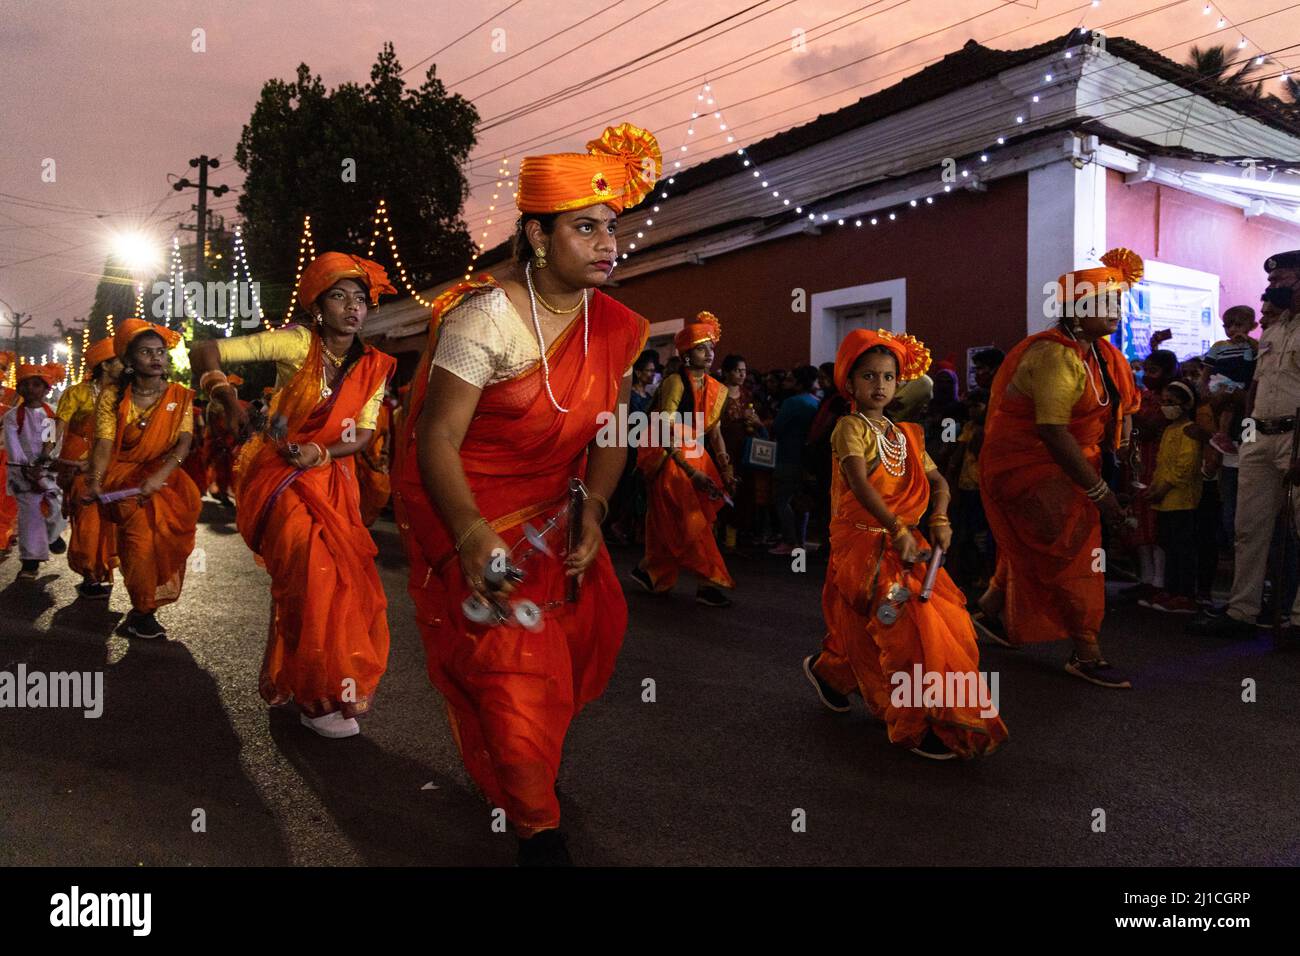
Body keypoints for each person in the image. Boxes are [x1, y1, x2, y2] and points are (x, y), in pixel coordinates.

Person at [393, 122, 659, 865]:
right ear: (538, 236)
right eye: (586, 227)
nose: (608, 242)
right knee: (514, 673)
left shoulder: (618, 329)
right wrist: (472, 535)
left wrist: (598, 511)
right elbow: (435, 439)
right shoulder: (486, 317)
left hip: (556, 522)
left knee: (553, 671)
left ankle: (521, 774)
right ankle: (539, 829)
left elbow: (611, 428)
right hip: (472, 518)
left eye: (612, 226)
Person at [190, 252, 398, 739]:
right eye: (339, 296)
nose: (352, 307)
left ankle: (320, 687)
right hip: (280, 479)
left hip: (331, 482)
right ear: (317, 307)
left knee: (342, 583)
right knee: (310, 577)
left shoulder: (375, 366)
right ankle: (316, 696)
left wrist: (323, 454)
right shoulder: (295, 342)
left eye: (360, 299)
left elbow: (364, 433)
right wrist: (222, 394)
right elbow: (206, 348)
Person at [801, 329, 1007, 760]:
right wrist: (896, 527)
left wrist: (940, 516)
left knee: (937, 622)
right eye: (869, 376)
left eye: (889, 377)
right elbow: (859, 483)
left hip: (906, 545)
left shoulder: (905, 435)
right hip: (864, 546)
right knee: (906, 630)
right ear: (850, 384)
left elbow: (937, 481)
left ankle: (834, 674)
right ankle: (917, 723)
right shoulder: (849, 428)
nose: (880, 385)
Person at [976, 248, 1141, 688]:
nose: (1116, 312)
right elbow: (1053, 432)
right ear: (1076, 310)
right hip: (1033, 468)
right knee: (1073, 556)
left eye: (1118, 303)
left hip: (1065, 463)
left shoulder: (1098, 355)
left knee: (1035, 547)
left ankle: (989, 609)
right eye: (1106, 303)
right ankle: (1086, 651)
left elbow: (1109, 412)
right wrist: (1100, 493)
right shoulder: (1055, 357)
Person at [1189, 250, 1300, 642]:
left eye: (1280, 280)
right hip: (1259, 436)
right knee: (1248, 528)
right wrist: (1247, 434)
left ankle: (1297, 620)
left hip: (1296, 438)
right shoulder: (1270, 331)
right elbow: (1255, 386)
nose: (1270, 288)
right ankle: (1242, 611)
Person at [85, 321, 200, 640]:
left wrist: (160, 476)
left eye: (160, 352)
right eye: (146, 352)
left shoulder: (180, 396)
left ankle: (144, 605)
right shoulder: (112, 396)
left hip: (167, 481)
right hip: (124, 482)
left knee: (164, 543)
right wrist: (95, 480)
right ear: (130, 359)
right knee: (138, 545)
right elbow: (104, 443)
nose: (156, 358)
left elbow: (184, 443)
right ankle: (143, 609)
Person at [632, 311, 736, 605]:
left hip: (699, 458)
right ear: (687, 353)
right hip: (672, 462)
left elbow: (715, 434)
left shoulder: (714, 389)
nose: (710, 354)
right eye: (702, 348)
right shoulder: (675, 383)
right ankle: (707, 581)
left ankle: (650, 572)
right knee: (692, 523)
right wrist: (691, 472)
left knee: (681, 523)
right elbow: (664, 433)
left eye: (711, 347)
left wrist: (725, 467)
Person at [41, 337, 121, 597]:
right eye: (120, 361)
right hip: (77, 462)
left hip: (111, 461)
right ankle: (89, 573)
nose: (125, 365)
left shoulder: (125, 394)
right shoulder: (77, 392)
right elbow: (55, 424)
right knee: (87, 516)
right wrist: (44, 453)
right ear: (105, 365)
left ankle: (102, 568)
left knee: (108, 519)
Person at [1139, 380, 1203, 613]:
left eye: (1171, 402)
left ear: (1186, 405)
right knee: (1168, 546)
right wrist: (1155, 488)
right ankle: (1171, 590)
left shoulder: (1189, 430)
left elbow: (1185, 467)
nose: (1166, 407)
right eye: (1164, 402)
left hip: (1182, 500)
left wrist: (1163, 488)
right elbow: (1161, 464)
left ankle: (1185, 594)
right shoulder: (1168, 430)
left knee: (1182, 549)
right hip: (1164, 501)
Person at [3, 362, 68, 581]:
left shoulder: (52, 414)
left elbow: (52, 441)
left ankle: (52, 535)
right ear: (19, 389)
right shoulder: (13, 416)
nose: (31, 389)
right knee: (30, 515)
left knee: (56, 507)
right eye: (26, 385)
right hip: (21, 473)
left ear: (46, 389)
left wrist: (45, 462)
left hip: (48, 470)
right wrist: (25, 468)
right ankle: (30, 563)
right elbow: (13, 444)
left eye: (36, 385)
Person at [718, 353, 767, 553]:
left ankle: (733, 537)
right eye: (738, 371)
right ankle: (716, 534)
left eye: (744, 371)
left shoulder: (747, 395)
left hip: (744, 449)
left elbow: (759, 419)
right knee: (723, 489)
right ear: (727, 372)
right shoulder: (718, 393)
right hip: (724, 448)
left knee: (743, 493)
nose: (741, 375)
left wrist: (755, 422)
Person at [768, 364, 820, 556]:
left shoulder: (792, 403)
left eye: (790, 380)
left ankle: (790, 540)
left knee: (782, 500)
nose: (786, 383)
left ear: (799, 383)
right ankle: (801, 540)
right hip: (806, 458)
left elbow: (778, 426)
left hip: (788, 455)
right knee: (800, 501)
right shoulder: (816, 401)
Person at [1204, 305, 1258, 455]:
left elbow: (1258, 358)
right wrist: (1203, 385)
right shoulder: (1220, 346)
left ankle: (1246, 444)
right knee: (1227, 408)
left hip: (1246, 397)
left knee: (1246, 419)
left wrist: (1248, 341)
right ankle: (1222, 437)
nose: (1233, 329)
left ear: (1252, 326)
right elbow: (1207, 369)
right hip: (1224, 385)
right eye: (1228, 326)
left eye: (1238, 325)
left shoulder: (1251, 347)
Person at [357, 385, 396, 528]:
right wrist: (370, 462)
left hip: (373, 456)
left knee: (380, 489)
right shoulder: (358, 409)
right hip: (358, 459)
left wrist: (385, 451)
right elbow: (357, 444)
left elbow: (387, 432)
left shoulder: (382, 411)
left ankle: (364, 523)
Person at [0, 351, 18, 553]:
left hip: (8, 456)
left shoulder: (14, 396)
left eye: (3, 368)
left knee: (5, 500)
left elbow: (50, 434)